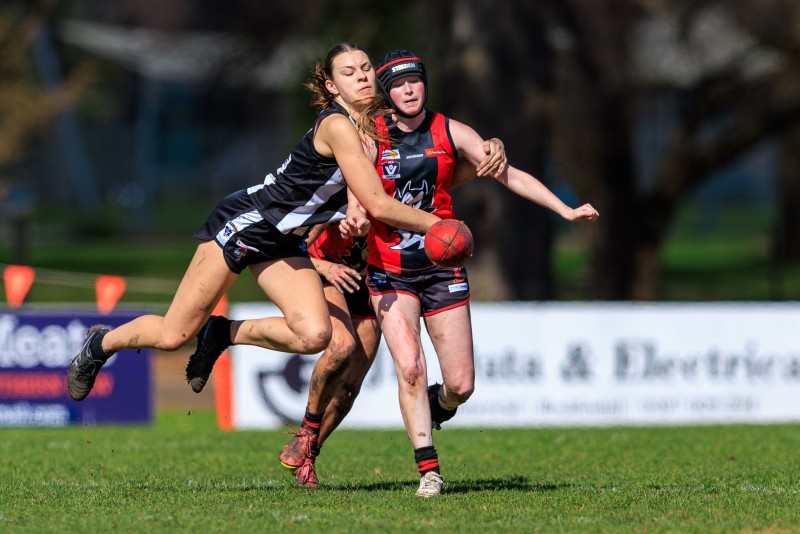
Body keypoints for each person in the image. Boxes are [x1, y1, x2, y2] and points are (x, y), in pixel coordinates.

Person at [65, 43, 441, 403]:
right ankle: (99, 345)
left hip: (284, 239)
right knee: (172, 335)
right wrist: (436, 225)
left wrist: (485, 155)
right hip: (247, 224)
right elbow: (378, 201)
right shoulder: (338, 126)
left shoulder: (374, 128)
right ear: (331, 86)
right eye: (348, 72)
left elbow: (393, 179)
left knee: (314, 334)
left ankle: (222, 333)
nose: (361, 76)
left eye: (364, 68)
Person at [363, 49, 599, 497]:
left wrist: (565, 210)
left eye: (414, 80)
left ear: (424, 83)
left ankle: (438, 405)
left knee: (461, 384)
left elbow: (508, 174)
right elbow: (354, 188)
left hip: (442, 268)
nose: (408, 89)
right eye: (397, 84)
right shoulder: (369, 136)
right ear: (385, 92)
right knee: (410, 365)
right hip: (390, 269)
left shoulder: (450, 130)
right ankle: (428, 471)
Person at [277, 140, 507, 489]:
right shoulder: (338, 193)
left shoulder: (403, 198)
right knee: (341, 350)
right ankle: (305, 432)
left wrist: (493, 147)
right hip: (333, 278)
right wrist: (325, 266)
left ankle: (310, 452)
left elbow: (458, 171)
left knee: (351, 386)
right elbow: (290, 247)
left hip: (373, 283)